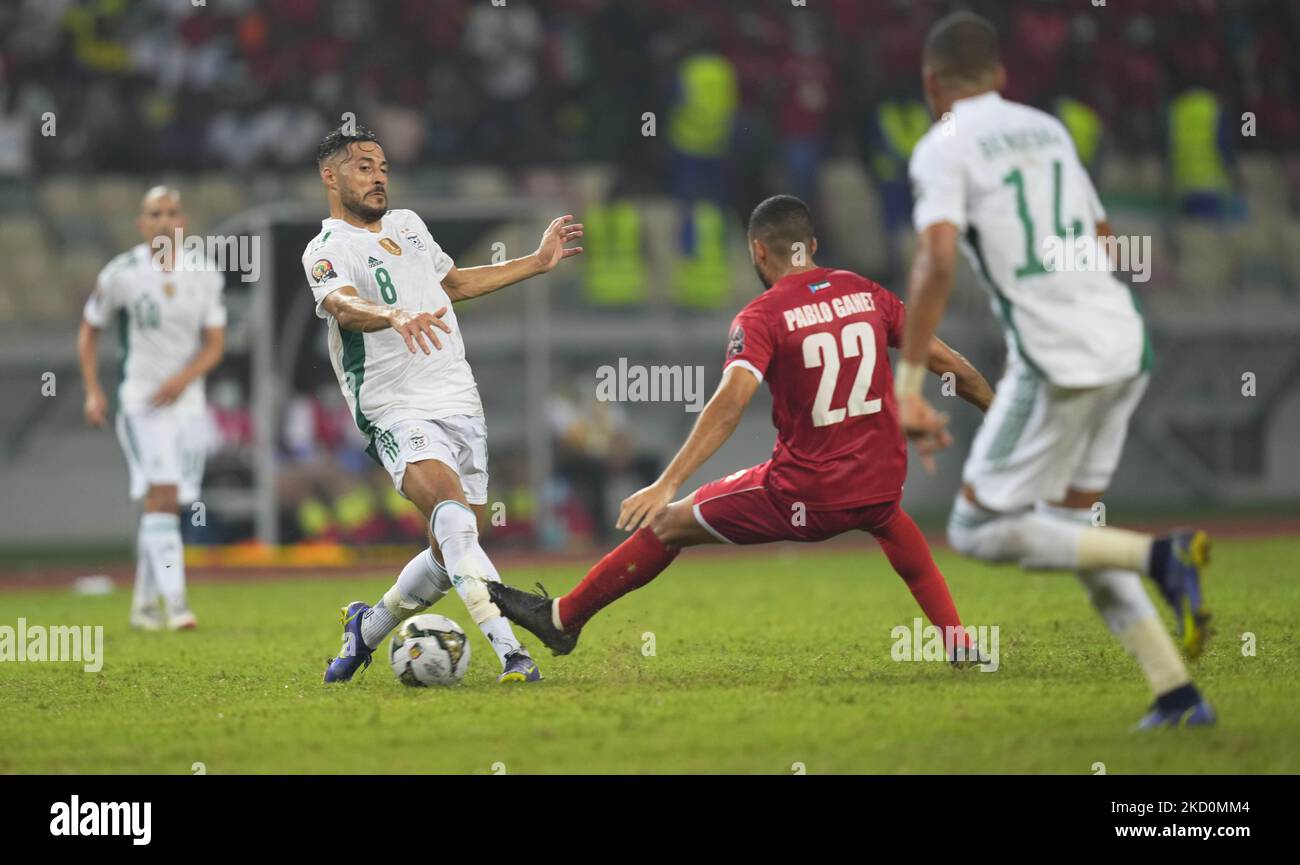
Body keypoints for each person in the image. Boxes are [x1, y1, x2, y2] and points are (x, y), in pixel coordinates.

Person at [487, 195, 993, 666]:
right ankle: (958, 642)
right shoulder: (869, 294)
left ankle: (563, 620)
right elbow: (960, 371)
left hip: (803, 493)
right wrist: (1006, 424)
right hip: (879, 483)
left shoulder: (763, 315)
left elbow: (730, 403)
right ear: (811, 245)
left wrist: (667, 482)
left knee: (666, 524)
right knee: (891, 523)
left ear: (757, 250)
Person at [895, 12, 1213, 729]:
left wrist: (908, 385)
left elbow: (936, 258)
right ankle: (1178, 695)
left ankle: (1160, 556)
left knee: (976, 526)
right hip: (1124, 343)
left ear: (931, 84)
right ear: (1003, 76)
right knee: (1072, 531)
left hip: (1054, 356)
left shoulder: (942, 147)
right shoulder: (1050, 130)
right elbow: (1104, 239)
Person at [306, 125, 583, 684]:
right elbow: (340, 304)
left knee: (448, 549)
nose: (378, 175)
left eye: (382, 165)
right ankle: (514, 651)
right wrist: (392, 314)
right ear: (330, 177)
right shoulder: (326, 249)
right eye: (363, 166)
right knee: (455, 523)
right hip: (394, 406)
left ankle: (367, 628)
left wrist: (535, 261)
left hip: (459, 399)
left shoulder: (409, 226)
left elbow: (452, 284)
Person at [78, 186, 226, 631]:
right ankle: (176, 604)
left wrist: (183, 379)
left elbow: (215, 343)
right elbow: (89, 331)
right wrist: (93, 390)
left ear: (184, 221)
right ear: (142, 225)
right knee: (161, 494)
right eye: (155, 213)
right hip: (140, 403)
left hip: (188, 405)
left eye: (172, 212)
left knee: (172, 502)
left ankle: (143, 607)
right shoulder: (121, 274)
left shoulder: (204, 272)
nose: (164, 220)